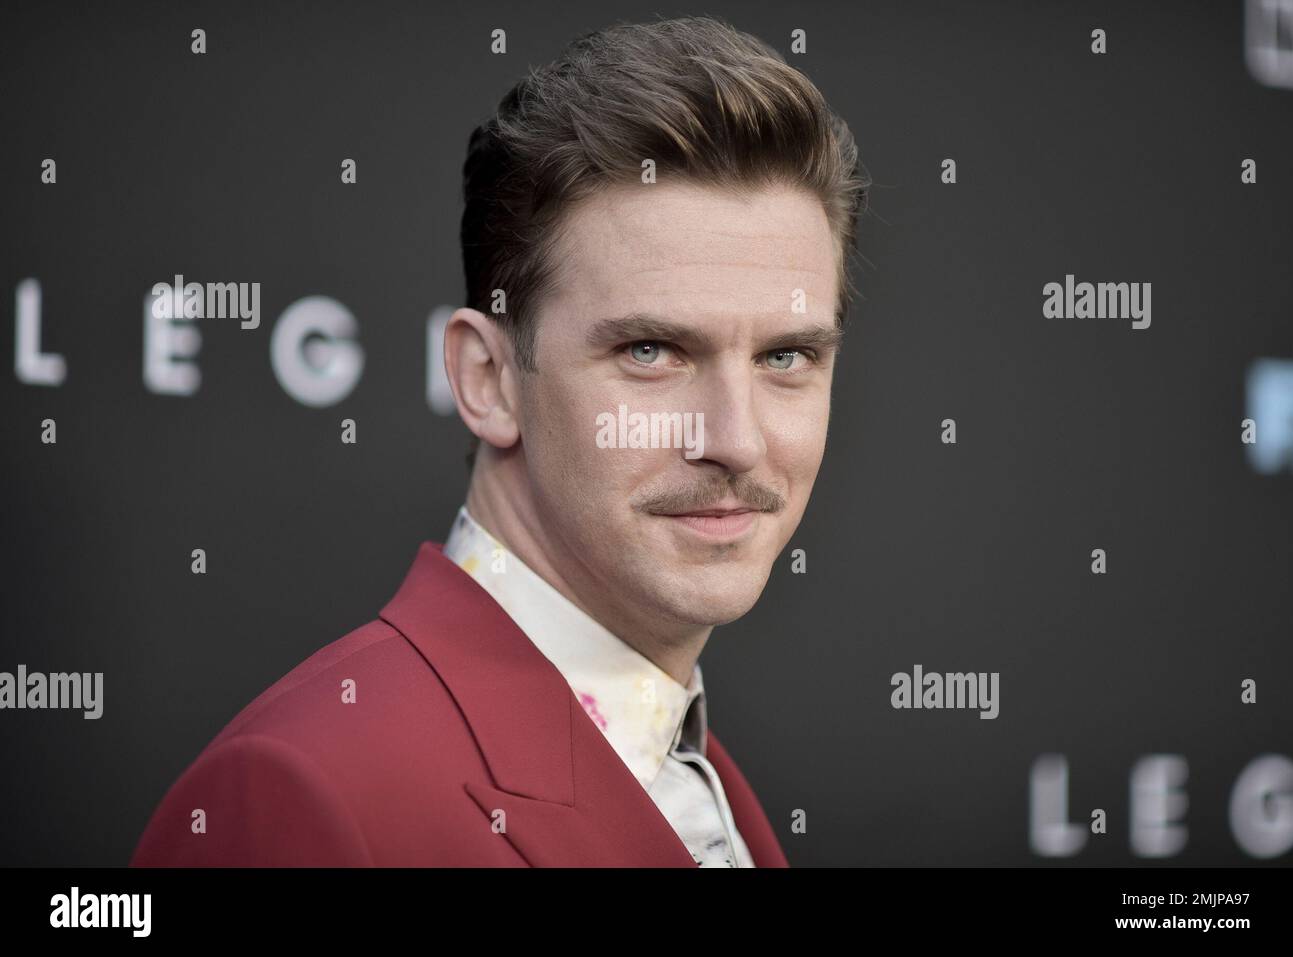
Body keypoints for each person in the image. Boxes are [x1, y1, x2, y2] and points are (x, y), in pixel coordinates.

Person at [131, 14, 868, 867]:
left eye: (787, 356)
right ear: (487, 378)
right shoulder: (301, 796)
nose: (736, 440)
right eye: (650, 351)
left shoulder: (690, 770)